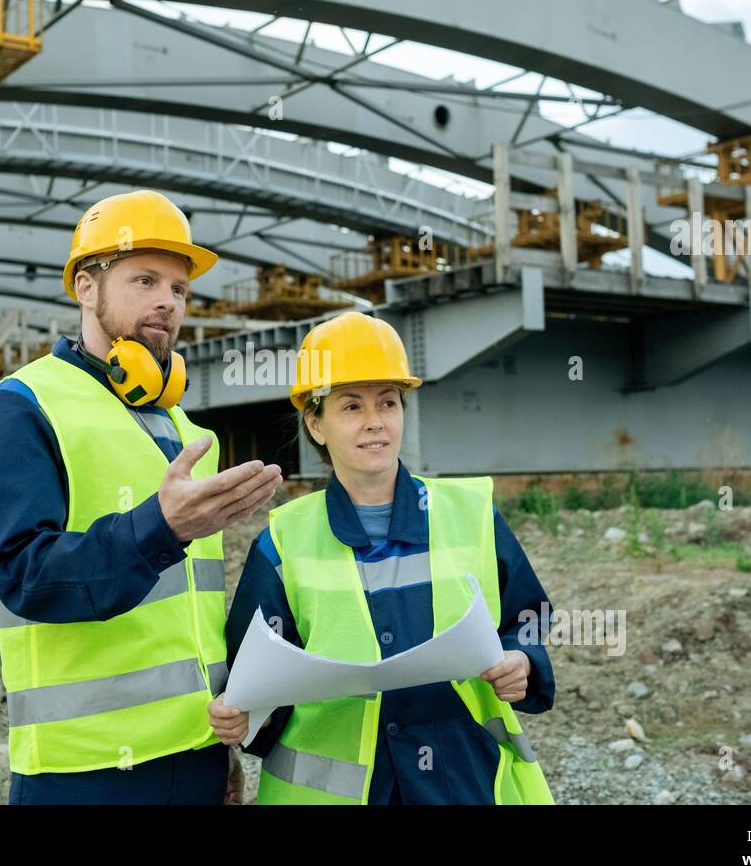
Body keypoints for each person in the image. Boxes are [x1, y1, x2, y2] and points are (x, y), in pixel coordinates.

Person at [0, 189, 282, 804]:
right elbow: (25, 577)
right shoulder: (19, 408)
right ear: (85, 286)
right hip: (83, 771)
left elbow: (190, 615)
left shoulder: (182, 428)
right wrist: (158, 527)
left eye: (180, 290)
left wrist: (222, 749)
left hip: (196, 757)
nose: (168, 300)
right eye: (145, 280)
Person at [208, 311, 555, 804]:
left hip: (459, 781)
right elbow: (250, 669)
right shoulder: (282, 540)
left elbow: (530, 615)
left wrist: (524, 658)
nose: (375, 422)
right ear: (316, 423)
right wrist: (240, 713)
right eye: (351, 406)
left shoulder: (470, 513)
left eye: (388, 403)